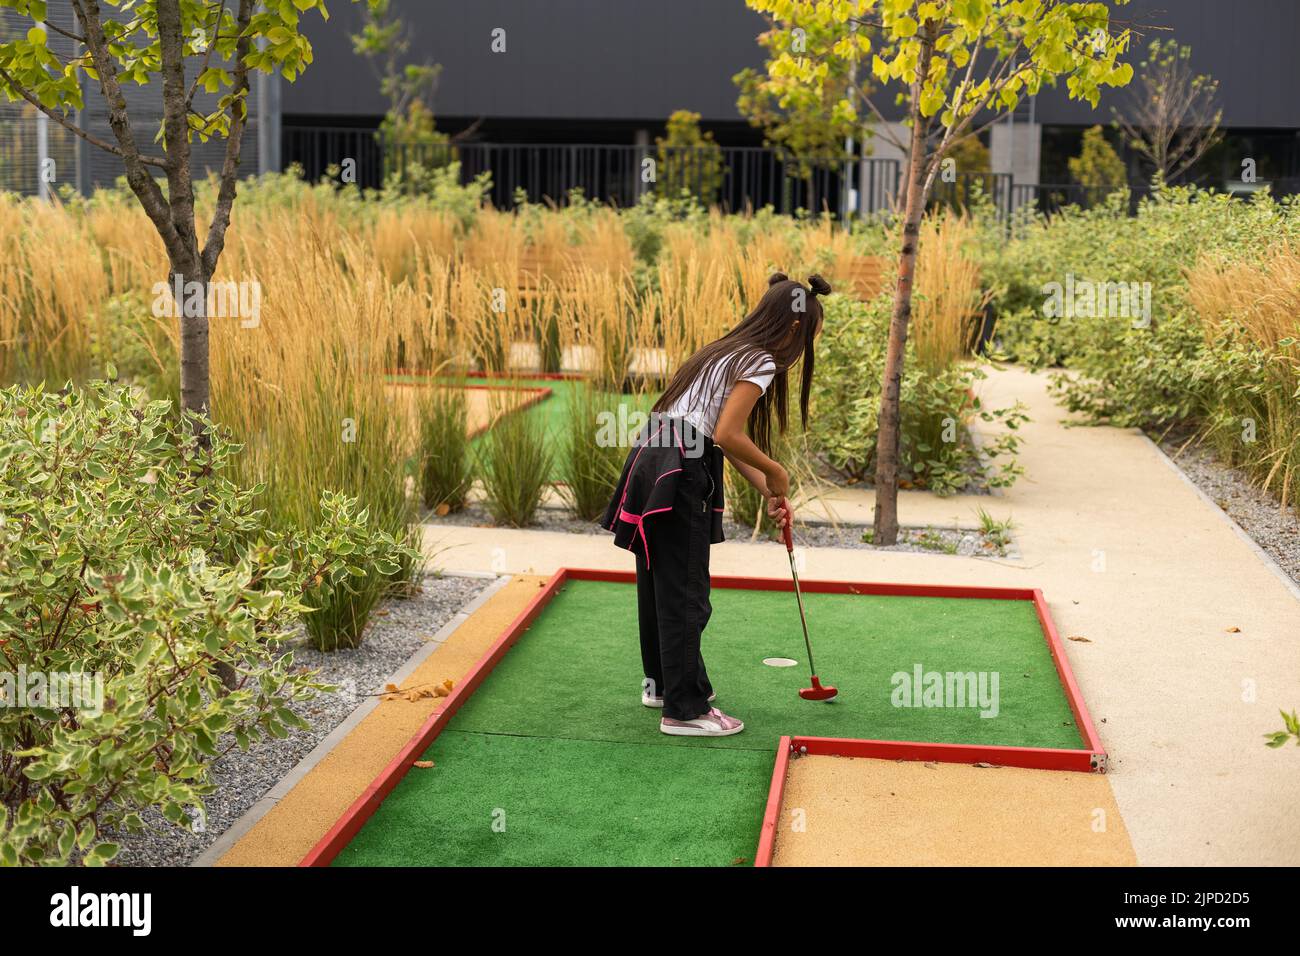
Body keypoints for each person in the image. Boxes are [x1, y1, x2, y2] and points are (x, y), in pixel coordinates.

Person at [601, 272, 831, 736]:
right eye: (808, 337)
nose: (803, 348)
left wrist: (767, 485)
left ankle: (664, 685)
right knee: (687, 590)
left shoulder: (725, 350)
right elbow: (726, 433)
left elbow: (713, 435)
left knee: (659, 579)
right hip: (683, 467)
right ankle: (686, 710)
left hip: (656, 452)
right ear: (793, 328)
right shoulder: (761, 359)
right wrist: (779, 471)